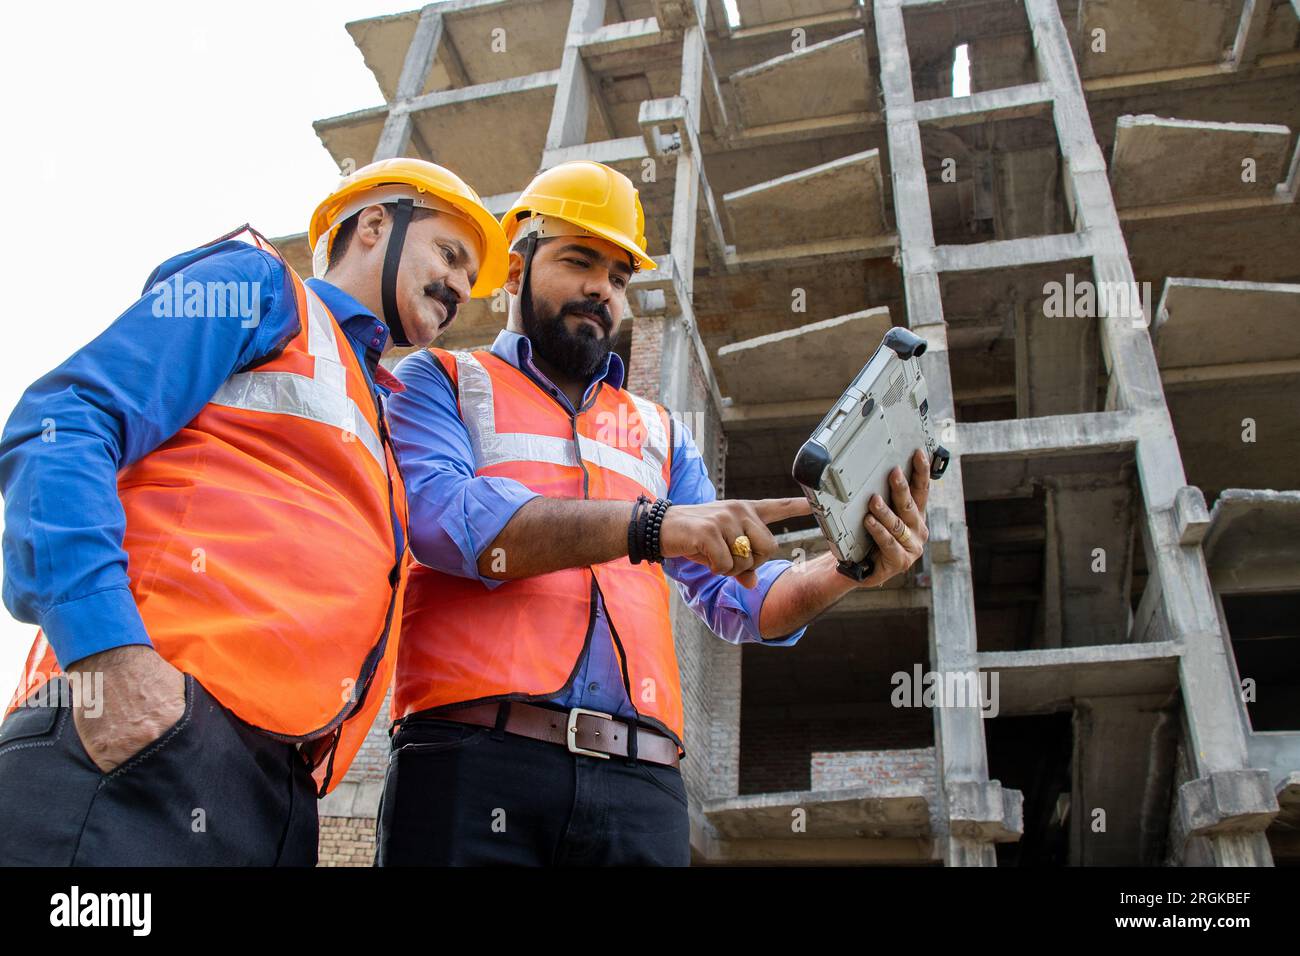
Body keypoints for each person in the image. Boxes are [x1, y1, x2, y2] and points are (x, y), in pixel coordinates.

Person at [376, 160, 931, 866]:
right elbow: (445, 524)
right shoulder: (440, 380)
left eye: (617, 277)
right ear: (515, 273)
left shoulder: (659, 430)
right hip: (473, 762)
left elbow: (742, 598)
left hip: (640, 791)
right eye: (579, 260)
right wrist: (650, 525)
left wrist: (851, 564)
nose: (599, 290)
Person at [0, 158, 507, 865]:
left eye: (467, 276)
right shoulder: (258, 287)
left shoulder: (377, 411)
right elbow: (63, 423)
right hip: (145, 740)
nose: (458, 287)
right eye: (449, 254)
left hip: (273, 794)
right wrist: (107, 657)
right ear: (372, 226)